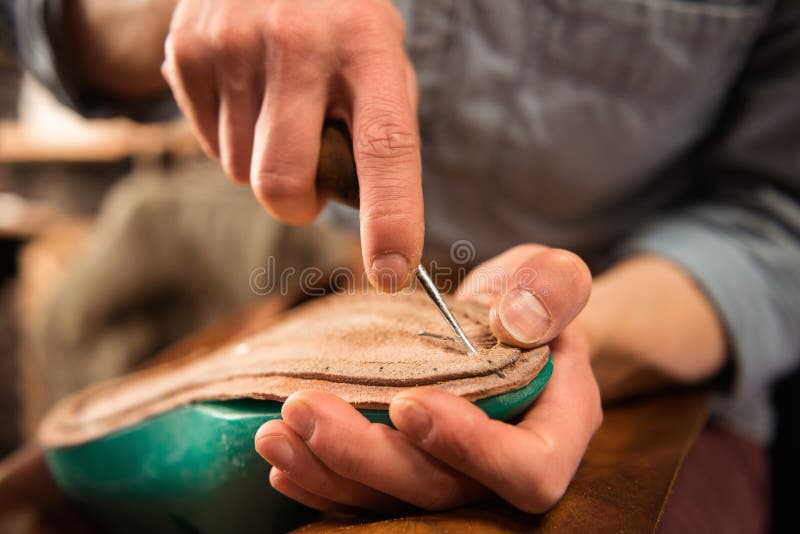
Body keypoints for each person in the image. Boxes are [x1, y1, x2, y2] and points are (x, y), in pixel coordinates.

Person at [4, 0, 799, 529]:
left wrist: (546, 353)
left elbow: (777, 229)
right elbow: (41, 29)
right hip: (315, 279)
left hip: (638, 345)